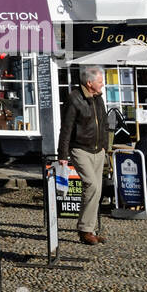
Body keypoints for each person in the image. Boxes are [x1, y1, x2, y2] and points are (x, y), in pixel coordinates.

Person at [58, 64, 109, 246]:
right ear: (89, 82)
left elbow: (103, 122)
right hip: (80, 148)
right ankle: (85, 229)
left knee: (97, 190)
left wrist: (105, 147)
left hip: (98, 150)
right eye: (100, 81)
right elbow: (66, 128)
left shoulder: (98, 98)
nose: (103, 84)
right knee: (92, 185)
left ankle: (91, 229)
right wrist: (62, 154)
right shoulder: (74, 98)